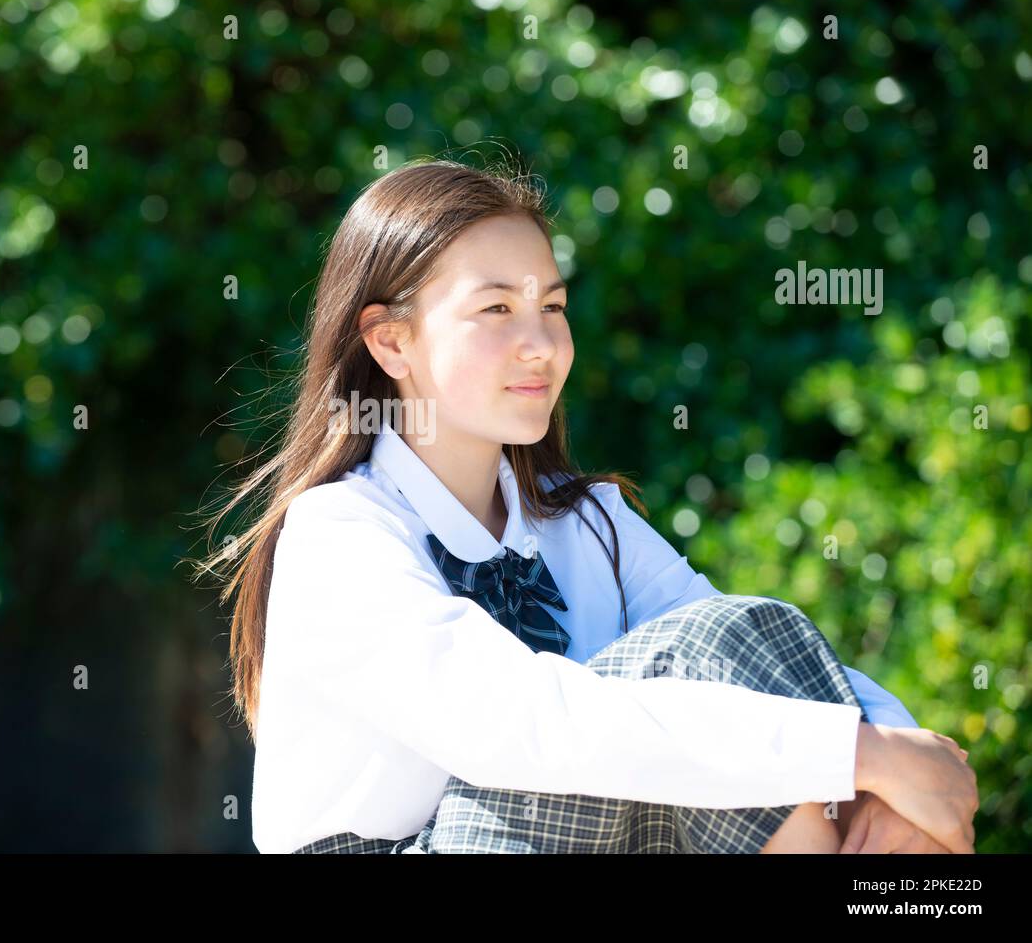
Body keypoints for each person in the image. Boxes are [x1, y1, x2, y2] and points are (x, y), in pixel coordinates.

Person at [191, 157, 979, 854]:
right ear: (391, 341)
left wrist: (901, 764)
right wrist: (864, 756)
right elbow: (524, 728)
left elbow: (747, 653)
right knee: (714, 684)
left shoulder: (587, 522)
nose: (541, 343)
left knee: (731, 645)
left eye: (554, 308)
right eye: (496, 309)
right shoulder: (340, 535)